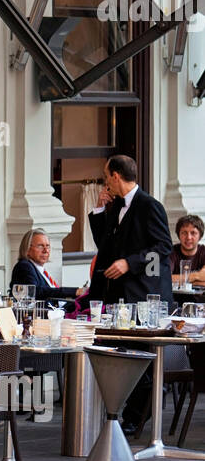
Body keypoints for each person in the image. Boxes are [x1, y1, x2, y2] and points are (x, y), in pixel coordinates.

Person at [88, 155, 173, 435]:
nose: (104, 181)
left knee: (139, 359)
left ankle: (137, 417)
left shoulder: (150, 206)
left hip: (143, 297)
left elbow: (163, 248)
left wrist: (130, 263)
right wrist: (101, 211)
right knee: (117, 355)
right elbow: (106, 246)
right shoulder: (115, 207)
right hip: (117, 296)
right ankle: (120, 414)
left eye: (105, 176)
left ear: (115, 176)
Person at [10, 230, 85, 303]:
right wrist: (75, 291)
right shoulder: (24, 266)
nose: (45, 250)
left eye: (47, 246)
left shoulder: (39, 269)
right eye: (40, 246)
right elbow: (36, 292)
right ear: (28, 249)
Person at [169, 214, 205, 284]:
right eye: (184, 233)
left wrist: (180, 280)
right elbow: (166, 279)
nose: (188, 237)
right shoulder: (171, 252)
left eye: (193, 233)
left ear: (200, 236)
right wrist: (196, 276)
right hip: (175, 295)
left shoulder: (203, 252)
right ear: (179, 235)